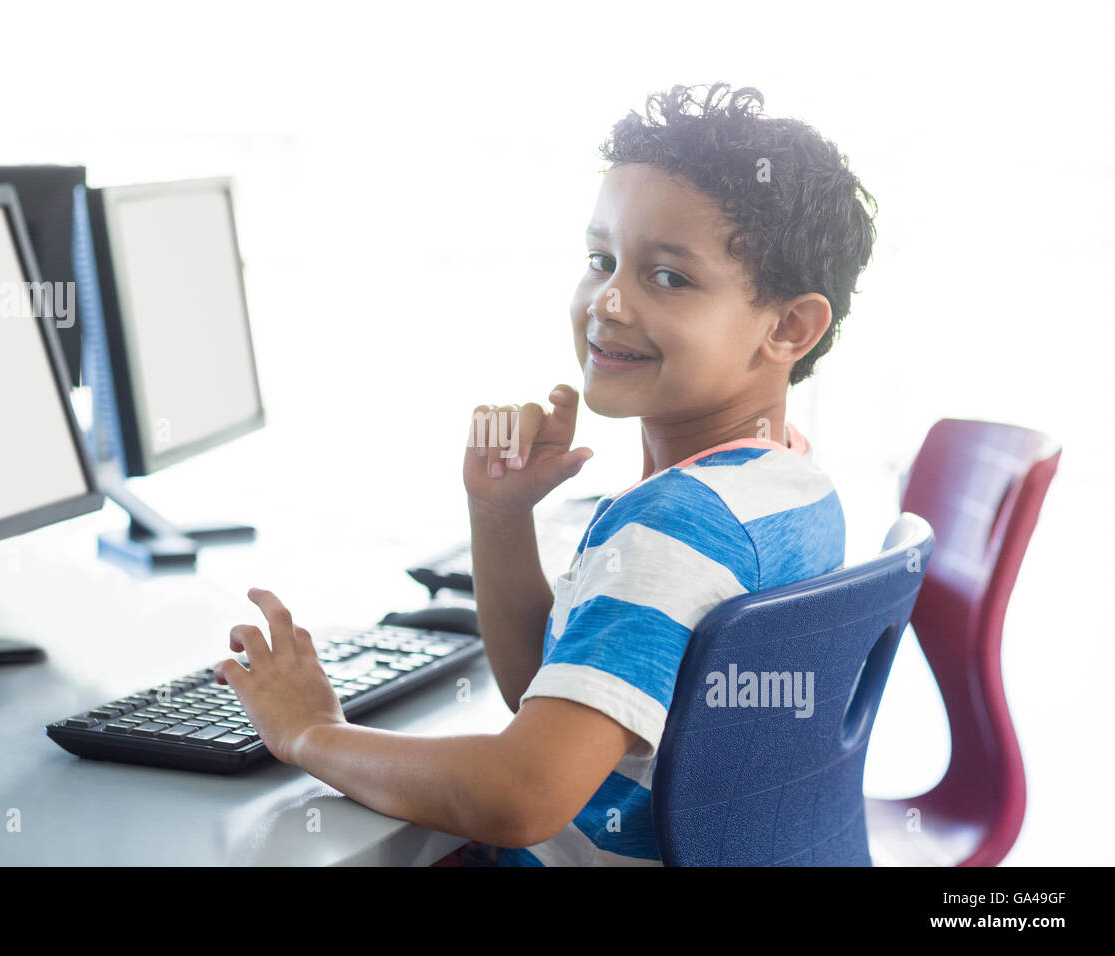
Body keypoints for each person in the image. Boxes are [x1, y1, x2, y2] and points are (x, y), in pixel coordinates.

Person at [214, 81, 876, 865]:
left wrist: (308, 733)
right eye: (601, 260)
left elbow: (523, 792)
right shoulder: (790, 485)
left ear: (788, 327)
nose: (610, 303)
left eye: (669, 277)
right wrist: (499, 516)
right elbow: (550, 697)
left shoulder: (674, 528)